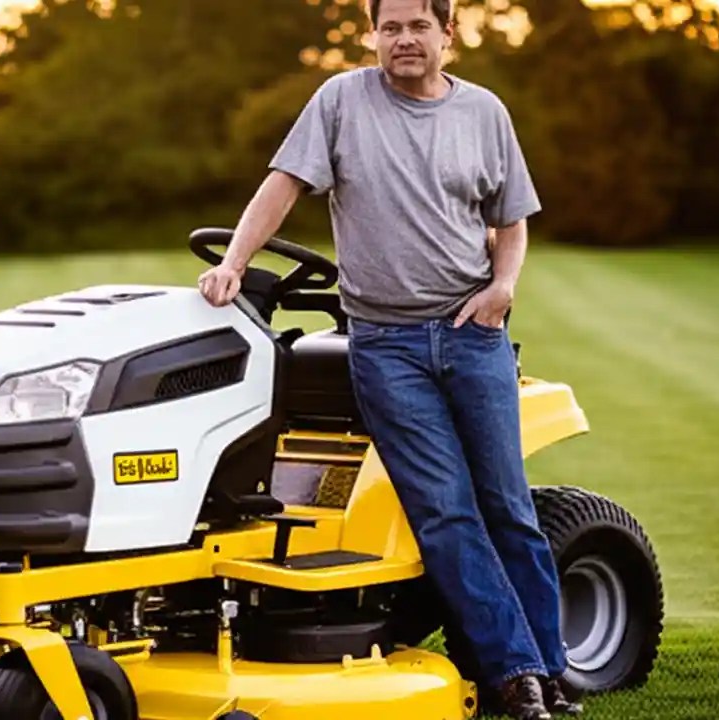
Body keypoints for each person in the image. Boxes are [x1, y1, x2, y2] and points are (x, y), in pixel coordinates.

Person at [197, 0, 579, 718]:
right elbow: (281, 185)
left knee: (508, 506)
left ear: (447, 34)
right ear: (374, 34)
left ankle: (553, 670)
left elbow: (512, 221)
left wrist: (502, 289)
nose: (404, 39)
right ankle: (516, 675)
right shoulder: (340, 101)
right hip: (385, 347)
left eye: (418, 26)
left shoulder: (485, 113)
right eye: (390, 26)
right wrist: (234, 263)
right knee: (446, 512)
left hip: (473, 335)